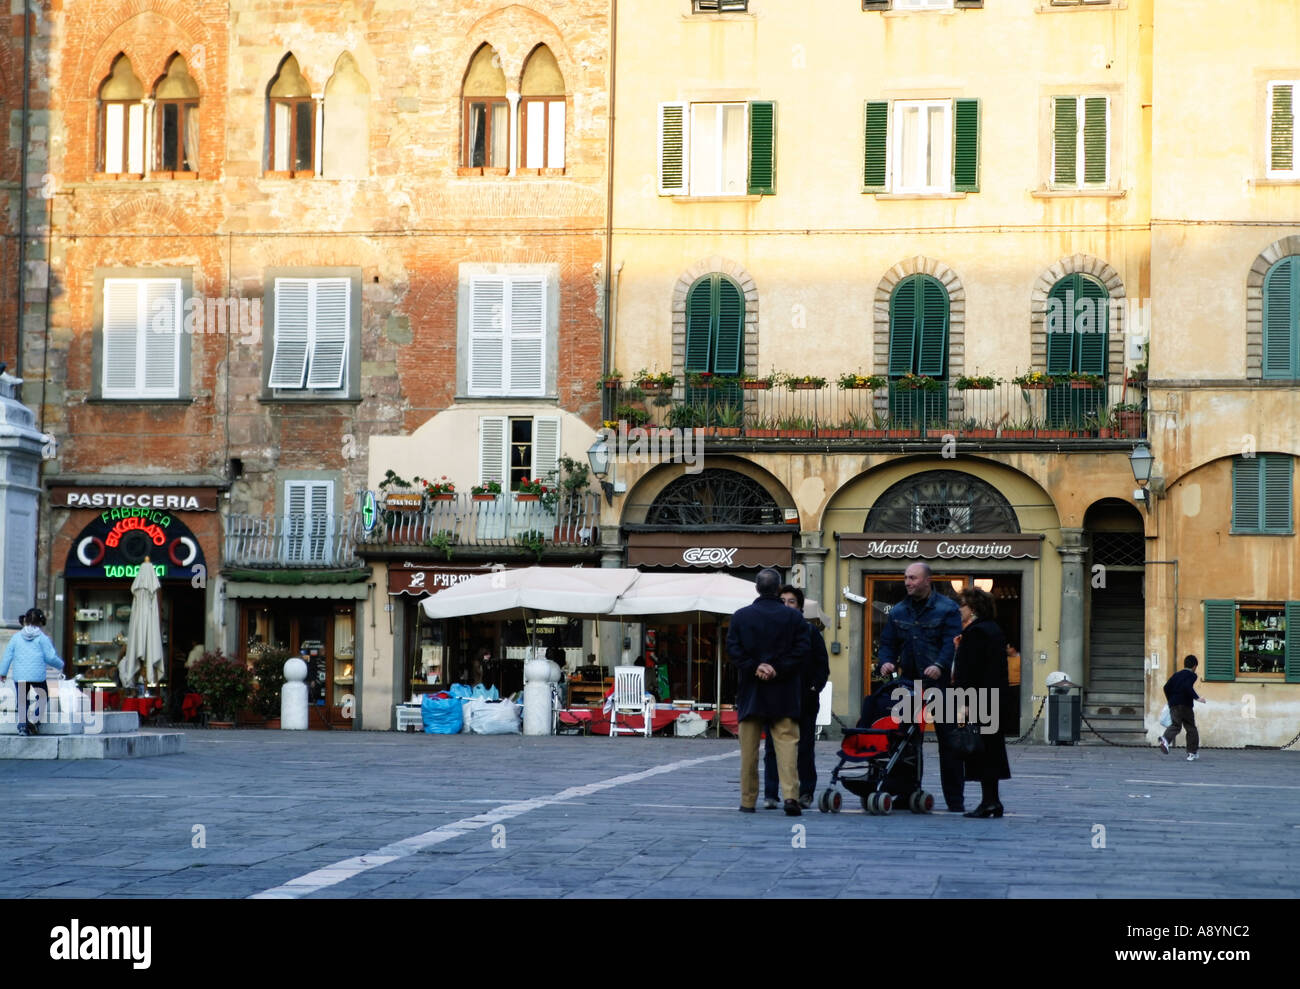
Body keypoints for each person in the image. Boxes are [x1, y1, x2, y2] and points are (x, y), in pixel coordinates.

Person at [876, 562, 965, 812]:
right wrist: (885, 662)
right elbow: (887, 643)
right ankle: (906, 793)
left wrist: (940, 664)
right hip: (910, 683)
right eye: (905, 578)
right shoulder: (898, 611)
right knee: (906, 739)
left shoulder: (947, 609)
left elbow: (952, 643)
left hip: (942, 684)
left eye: (913, 578)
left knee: (949, 741)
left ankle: (955, 800)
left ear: (928, 580)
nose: (907, 582)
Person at [726, 568, 809, 816]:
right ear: (778, 588)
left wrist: (756, 667)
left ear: (757, 588)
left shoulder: (741, 617)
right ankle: (791, 796)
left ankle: (748, 800)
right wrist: (777, 668)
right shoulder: (794, 619)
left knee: (748, 751)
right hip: (783, 691)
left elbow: (733, 649)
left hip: (752, 692)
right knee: (787, 747)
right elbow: (802, 650)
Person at [762, 587, 830, 809]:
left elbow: (822, 666)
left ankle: (806, 792)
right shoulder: (770, 631)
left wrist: (813, 688)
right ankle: (771, 794)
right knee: (772, 748)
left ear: (800, 607)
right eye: (782, 600)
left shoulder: (811, 632)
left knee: (805, 748)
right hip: (777, 697)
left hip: (804, 699)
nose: (786, 605)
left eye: (791, 601)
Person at [952, 588, 1011, 818]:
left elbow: (971, 670)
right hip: (993, 698)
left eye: (963, 605)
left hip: (979, 700)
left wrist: (964, 702)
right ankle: (992, 801)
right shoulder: (993, 629)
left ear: (973, 609)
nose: (959, 609)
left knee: (981, 750)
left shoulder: (976, 633)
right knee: (992, 750)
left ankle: (988, 802)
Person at [0, 608, 65, 736]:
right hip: (37, 675)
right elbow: (50, 657)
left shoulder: (16, 638)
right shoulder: (42, 638)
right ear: (41, 622)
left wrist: (3, 673)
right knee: (43, 696)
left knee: (22, 699)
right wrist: (61, 665)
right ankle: (35, 720)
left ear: (25, 620)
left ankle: (23, 726)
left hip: (20, 675)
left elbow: (7, 656)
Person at [1160, 655, 1207, 760]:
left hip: (1173, 705)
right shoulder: (1192, 675)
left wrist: (1170, 700)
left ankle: (1165, 739)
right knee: (1191, 728)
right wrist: (1197, 698)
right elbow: (1187, 686)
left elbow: (1166, 687)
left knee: (1176, 725)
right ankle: (1192, 753)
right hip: (1185, 705)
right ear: (1194, 666)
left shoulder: (1176, 675)